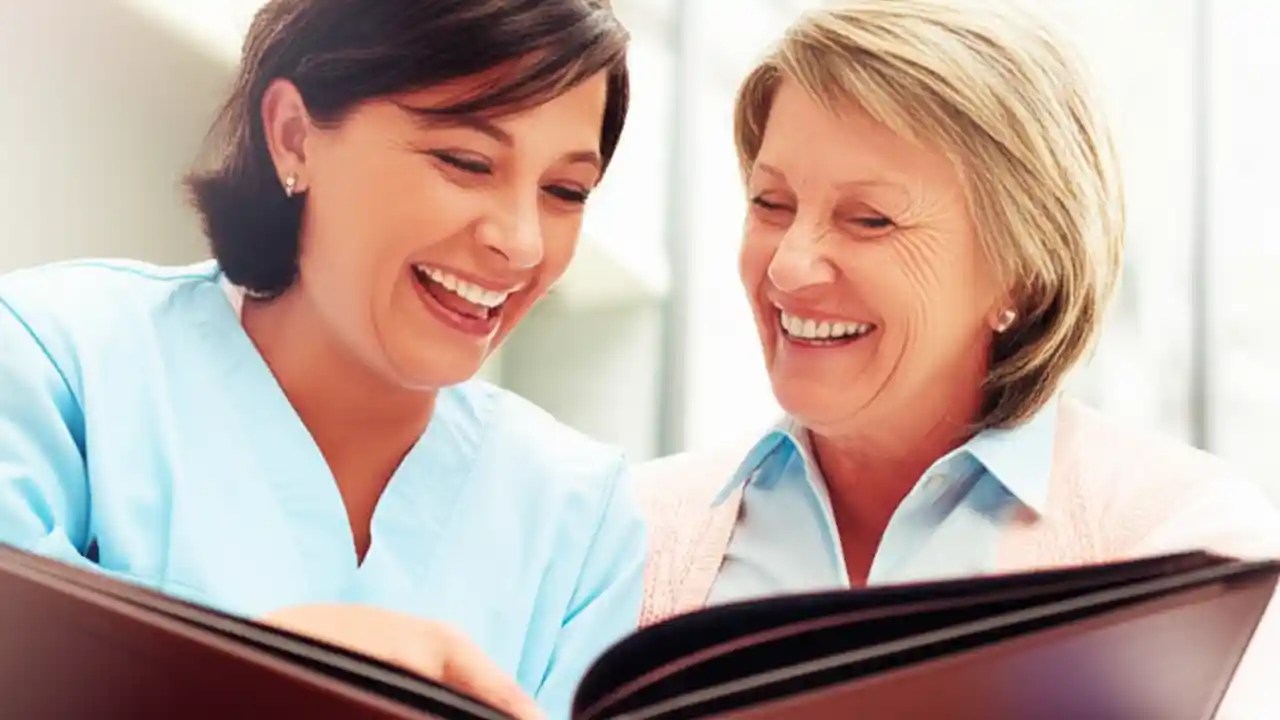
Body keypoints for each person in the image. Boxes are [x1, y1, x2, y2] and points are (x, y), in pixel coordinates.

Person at [635, 1, 1279, 717]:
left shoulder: (1178, 544)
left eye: (869, 219)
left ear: (1021, 273)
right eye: (770, 203)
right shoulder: (633, 534)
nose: (788, 265)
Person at [0, 1, 644, 717]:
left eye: (565, 192)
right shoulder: (52, 366)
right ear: (294, 137)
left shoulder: (579, 518)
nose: (521, 242)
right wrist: (262, 670)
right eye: (466, 162)